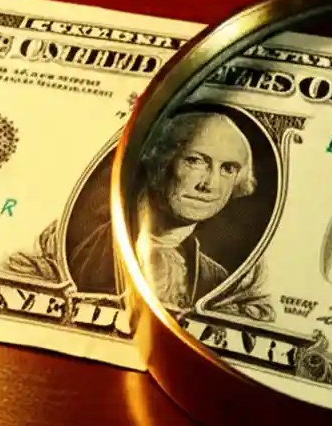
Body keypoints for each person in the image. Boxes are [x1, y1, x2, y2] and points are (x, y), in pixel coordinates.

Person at [64, 110, 256, 308]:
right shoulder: (83, 247)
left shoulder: (216, 279)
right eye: (195, 161)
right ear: (161, 163)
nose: (210, 185)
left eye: (228, 169)